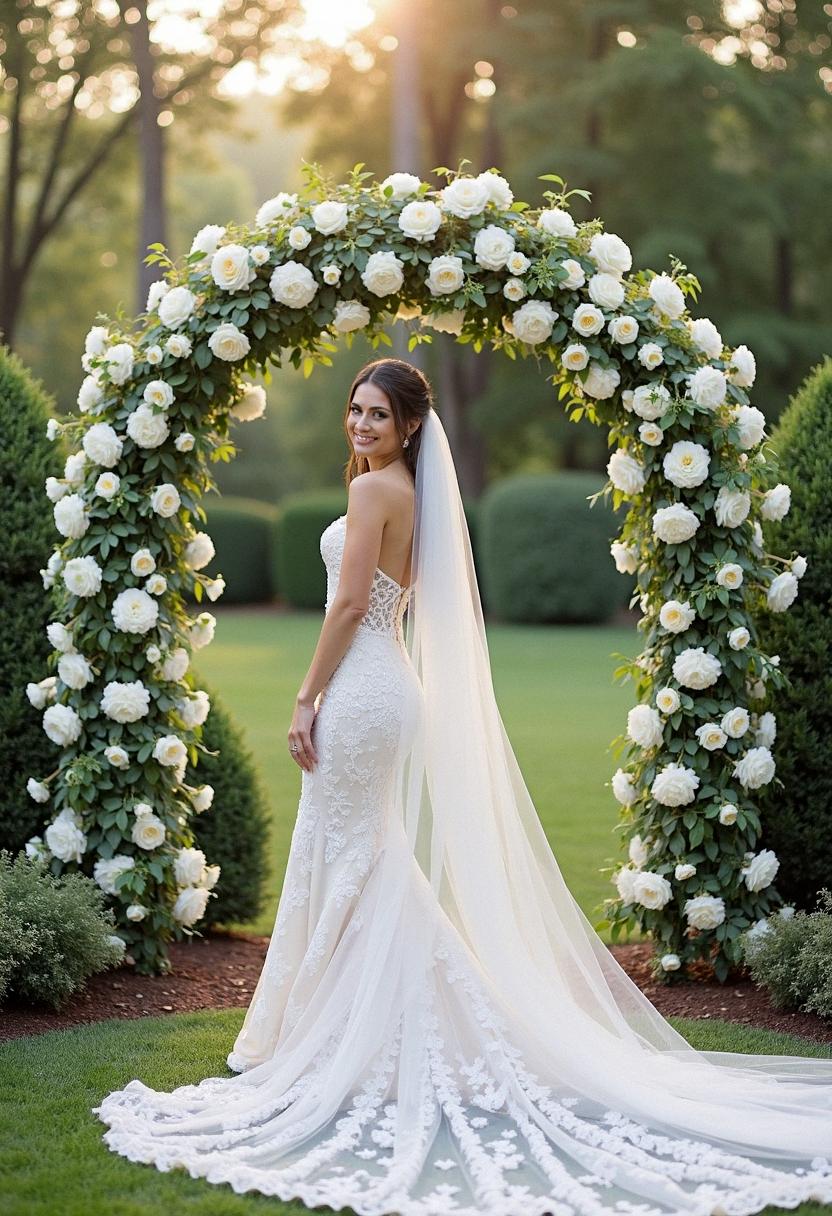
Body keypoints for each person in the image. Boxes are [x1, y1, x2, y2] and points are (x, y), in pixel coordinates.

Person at [93, 358, 832, 1216]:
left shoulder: (377, 495)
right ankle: (357, 1027)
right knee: (362, 854)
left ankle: (375, 1031)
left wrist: (305, 696)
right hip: (387, 681)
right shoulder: (401, 489)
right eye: (355, 410)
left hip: (364, 687)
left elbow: (343, 608)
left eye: (378, 414)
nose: (361, 424)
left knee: (359, 855)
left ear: (411, 426)